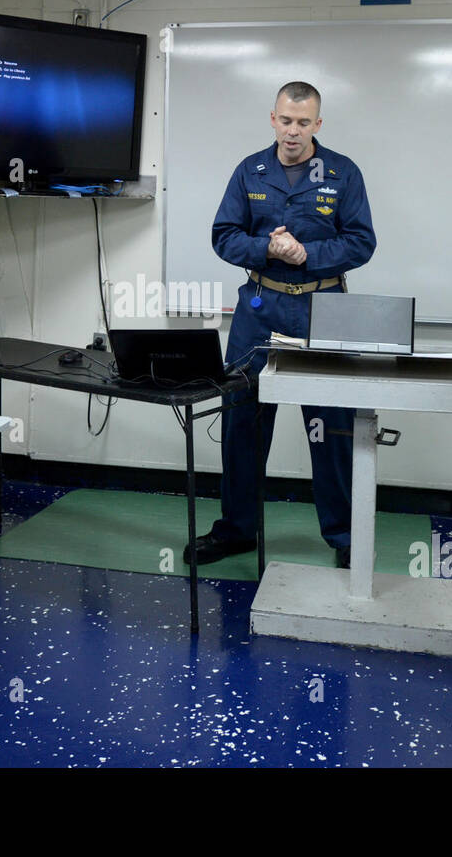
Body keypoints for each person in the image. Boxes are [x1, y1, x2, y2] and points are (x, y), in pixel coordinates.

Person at [185, 82, 376, 569]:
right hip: (260, 308)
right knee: (241, 421)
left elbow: (360, 243)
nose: (293, 132)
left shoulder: (342, 173)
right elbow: (223, 236)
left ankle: (345, 536)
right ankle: (237, 529)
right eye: (286, 121)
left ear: (318, 124)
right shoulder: (251, 171)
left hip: (323, 310)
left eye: (304, 123)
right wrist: (267, 248)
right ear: (273, 119)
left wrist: (307, 252)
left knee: (331, 427)